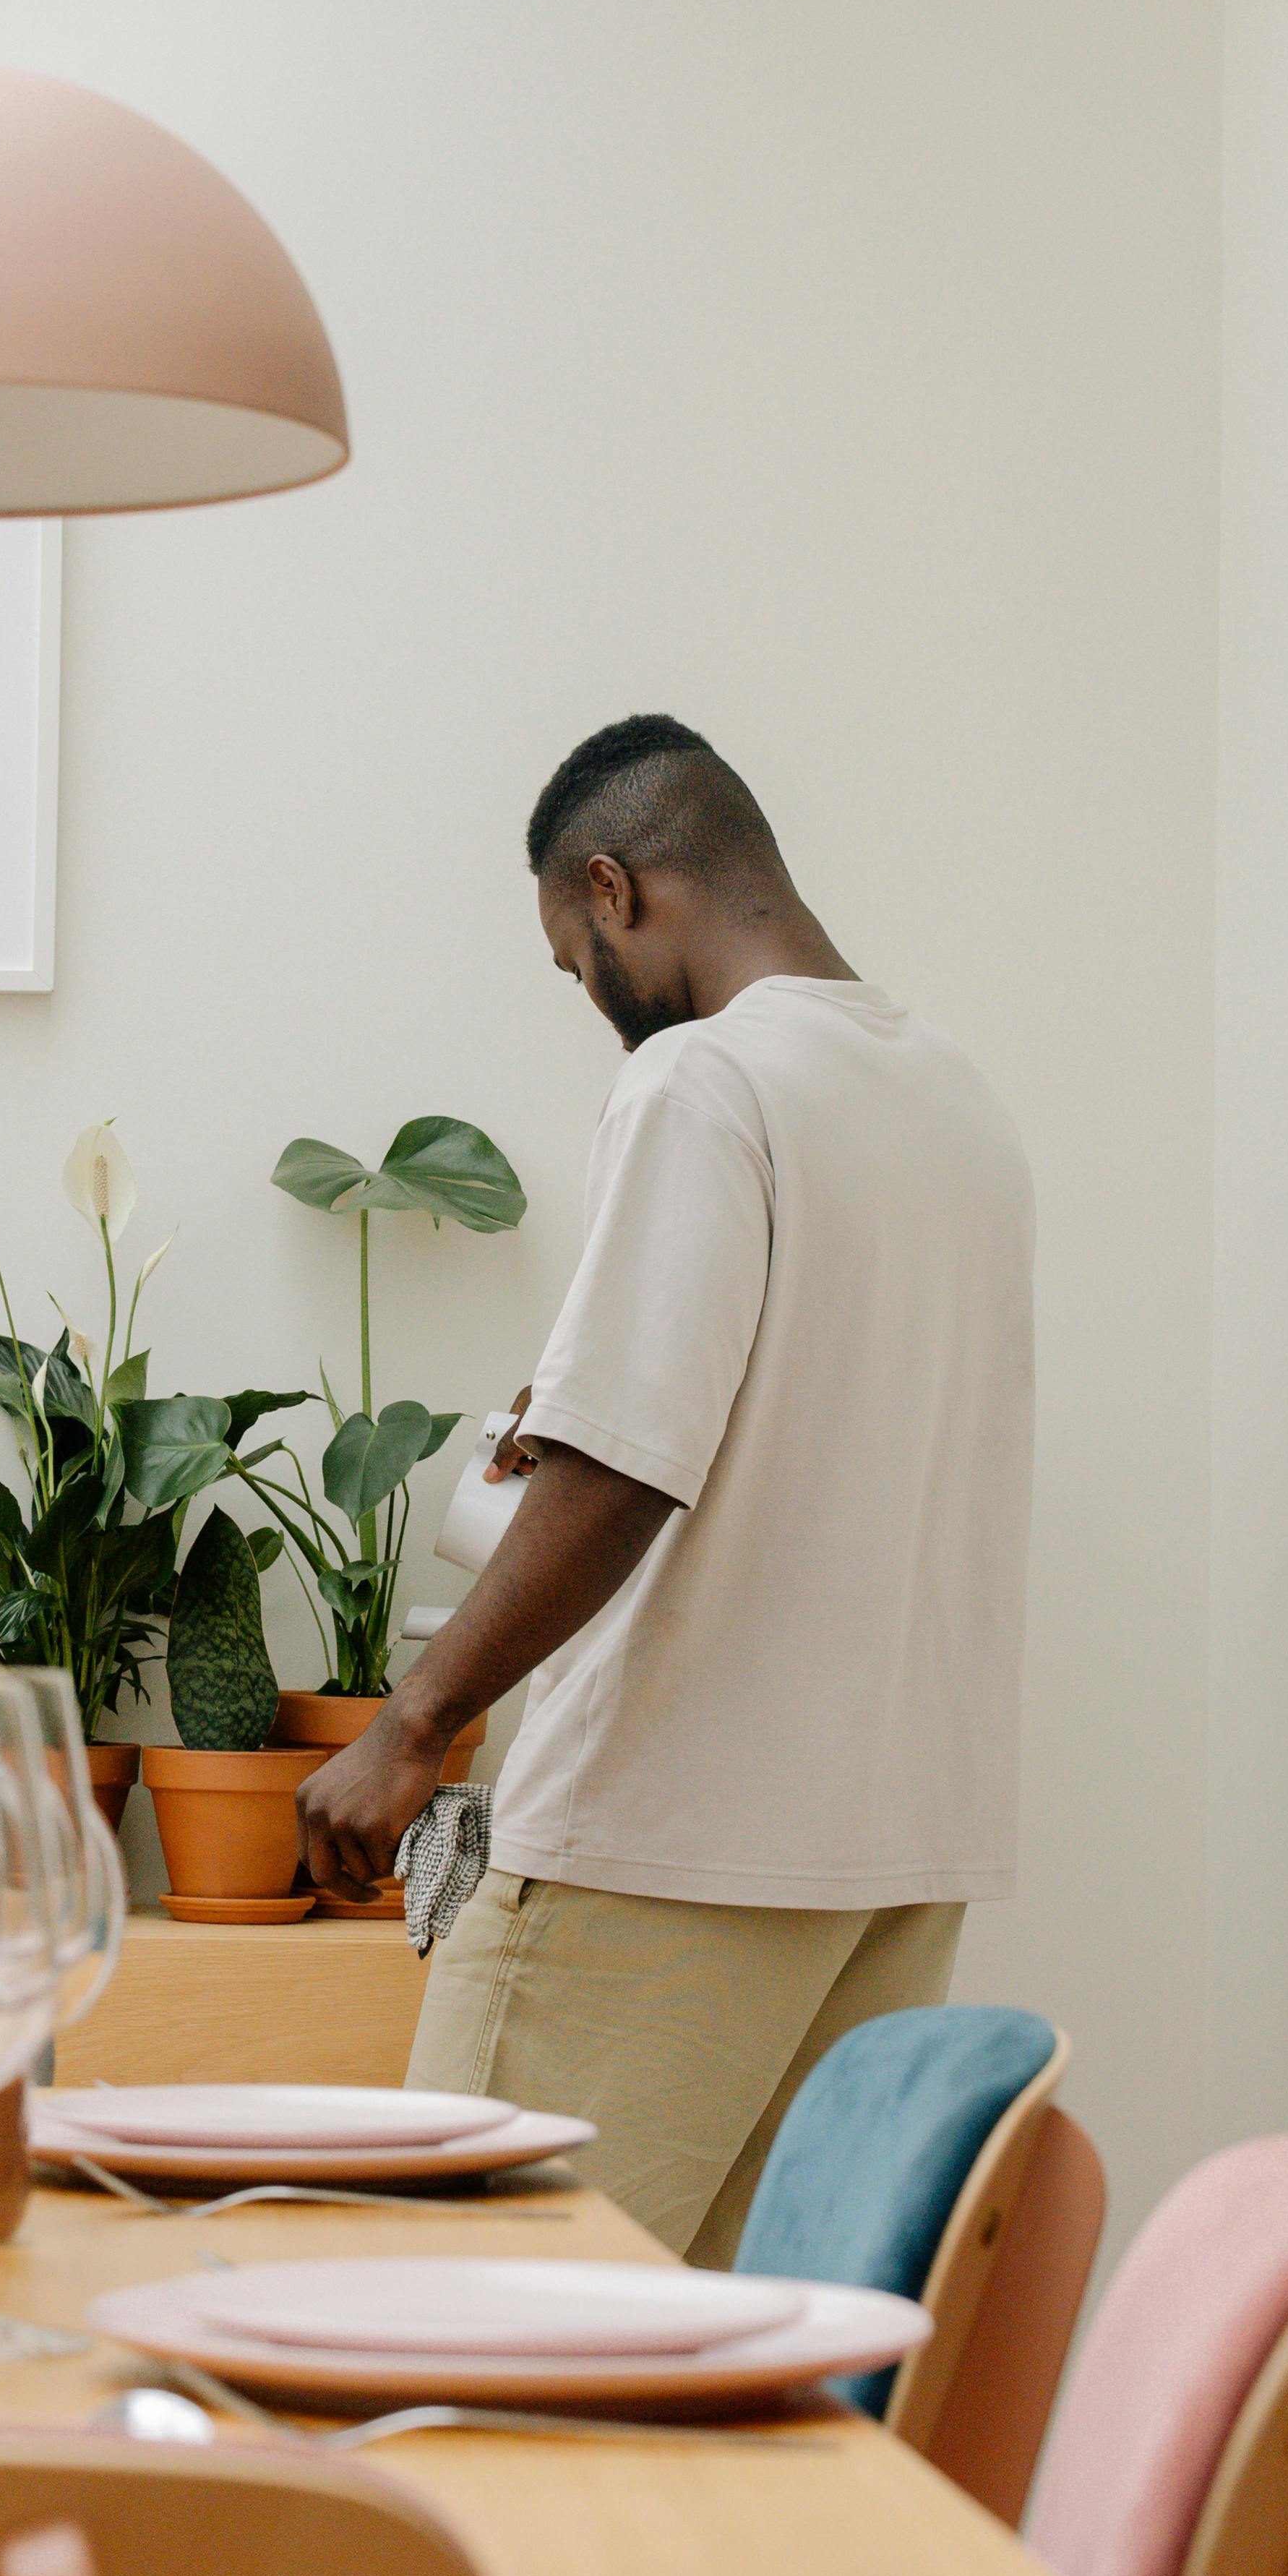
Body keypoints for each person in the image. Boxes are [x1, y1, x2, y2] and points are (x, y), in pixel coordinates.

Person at [293, 714, 1034, 2263]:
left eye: (578, 961)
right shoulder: (957, 1100)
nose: (594, 1001)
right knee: (722, 2354)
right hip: (895, 1851)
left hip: (665, 1842)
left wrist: (413, 1725)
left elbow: (625, 1465)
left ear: (614, 887)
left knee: (466, 2308)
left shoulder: (704, 1079)